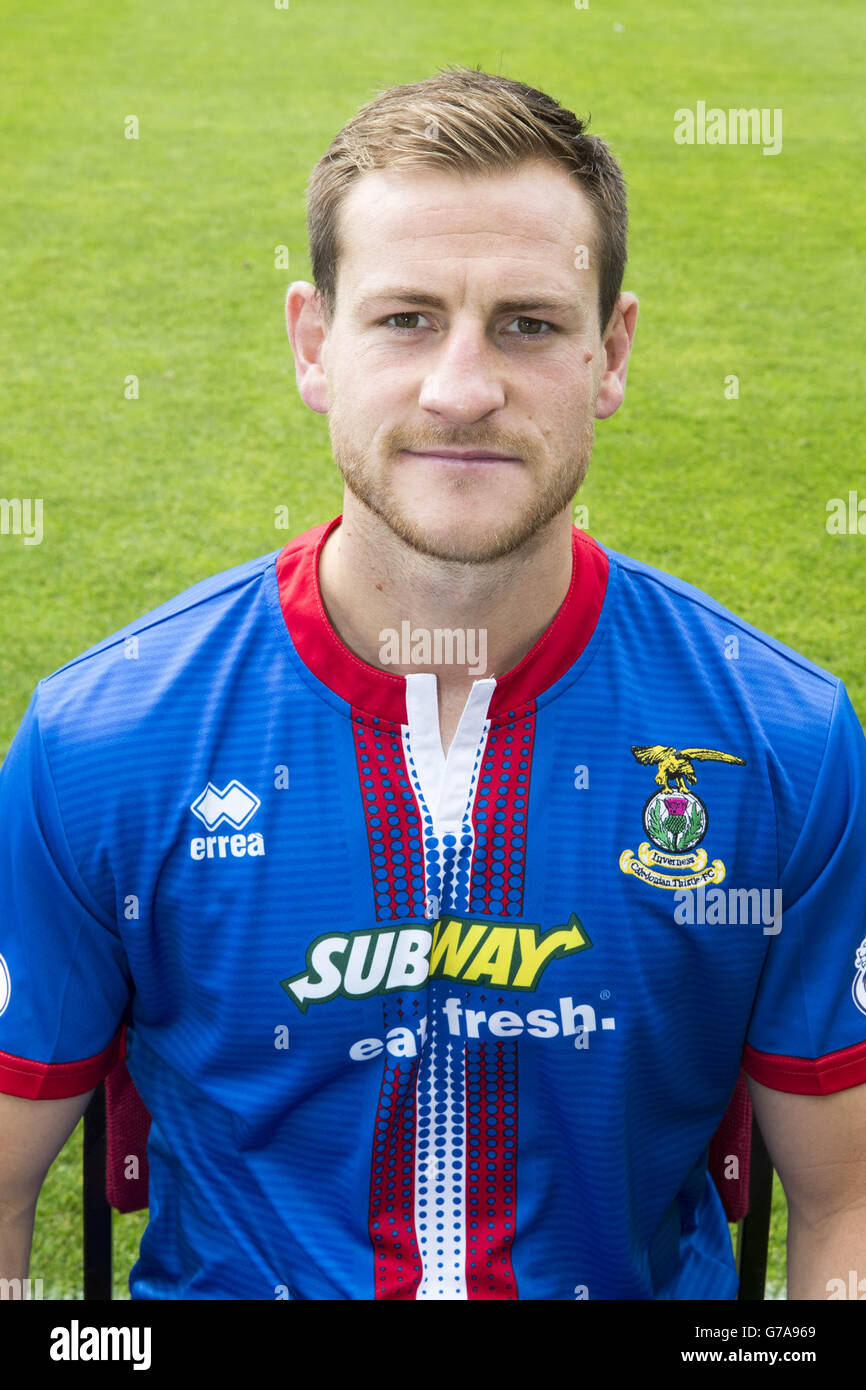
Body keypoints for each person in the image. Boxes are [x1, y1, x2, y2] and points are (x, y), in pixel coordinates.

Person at [1, 65, 865, 1302]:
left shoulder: (780, 743)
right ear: (314, 343)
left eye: (527, 323)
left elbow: (843, 1204)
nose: (461, 388)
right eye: (406, 319)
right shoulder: (104, 745)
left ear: (609, 355)